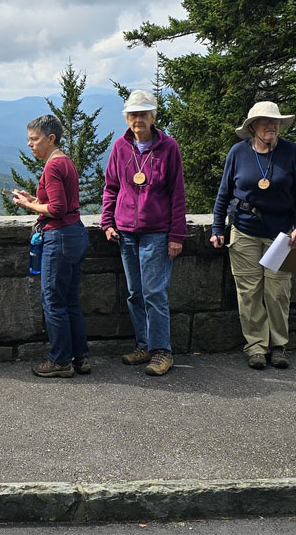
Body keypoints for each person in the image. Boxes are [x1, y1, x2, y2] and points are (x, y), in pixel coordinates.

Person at [211, 101, 296, 370]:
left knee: (278, 291)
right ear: (252, 126)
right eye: (266, 121)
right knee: (249, 292)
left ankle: (278, 345)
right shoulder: (238, 153)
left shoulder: (291, 152)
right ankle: (256, 347)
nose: (272, 126)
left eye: (275, 121)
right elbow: (224, 193)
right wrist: (217, 228)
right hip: (244, 231)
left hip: (282, 235)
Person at [101, 89, 186, 376]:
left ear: (153, 116)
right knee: (135, 293)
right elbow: (111, 187)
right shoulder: (119, 148)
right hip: (125, 231)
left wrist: (177, 235)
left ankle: (162, 351)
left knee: (154, 292)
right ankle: (144, 345)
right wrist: (107, 222)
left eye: (143, 114)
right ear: (127, 118)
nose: (138, 119)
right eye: (133, 114)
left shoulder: (168, 147)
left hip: (157, 232)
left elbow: (177, 193)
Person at [12, 115, 90, 378]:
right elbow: (63, 202)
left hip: (60, 237)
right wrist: (34, 198)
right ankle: (81, 358)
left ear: (51, 138)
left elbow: (56, 210)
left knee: (52, 300)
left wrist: (26, 205)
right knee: (69, 301)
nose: (30, 144)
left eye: (34, 139)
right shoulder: (65, 162)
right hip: (75, 233)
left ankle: (60, 362)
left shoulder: (52, 167)